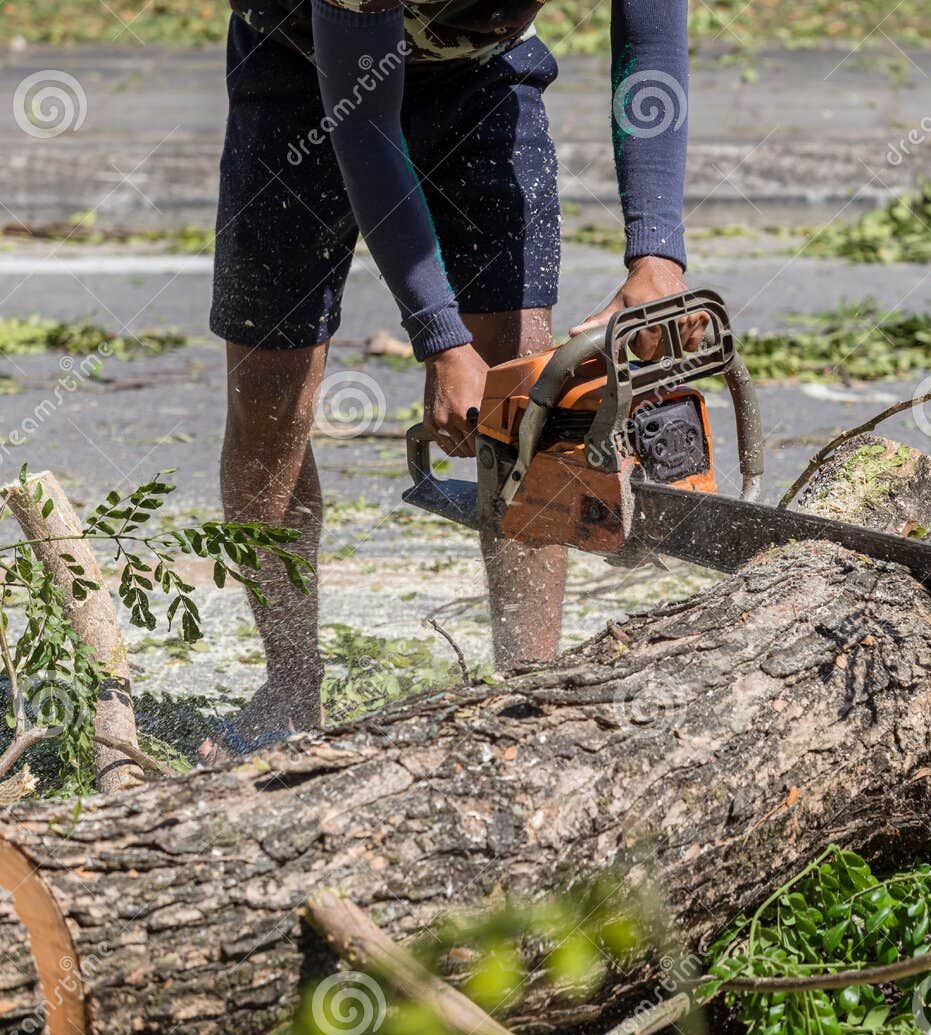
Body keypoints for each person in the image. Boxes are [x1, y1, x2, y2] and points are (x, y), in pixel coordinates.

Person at [204, 0, 689, 757]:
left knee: (522, 378)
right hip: (300, 63)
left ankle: (529, 684)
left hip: (482, 71)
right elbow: (363, 128)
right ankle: (290, 685)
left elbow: (652, 33)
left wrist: (657, 257)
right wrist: (440, 336)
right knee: (270, 396)